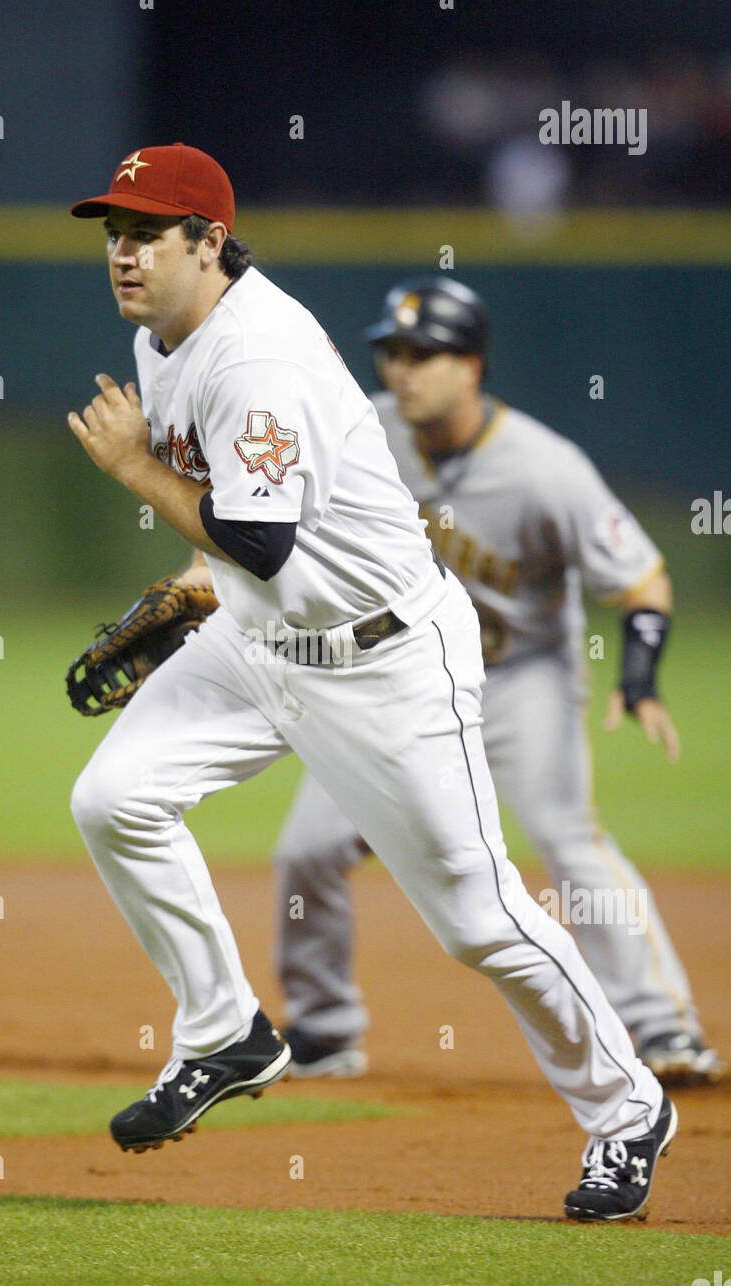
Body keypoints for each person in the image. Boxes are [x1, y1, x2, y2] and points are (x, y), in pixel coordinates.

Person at [66, 143, 676, 1221]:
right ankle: (224, 1031)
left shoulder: (258, 357)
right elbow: (251, 552)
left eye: (147, 232)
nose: (123, 252)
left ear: (210, 242)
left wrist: (129, 471)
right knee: (113, 798)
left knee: (477, 922)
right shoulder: (158, 337)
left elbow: (255, 534)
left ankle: (627, 1110)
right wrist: (188, 594)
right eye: (114, 232)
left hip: (382, 657)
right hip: (259, 644)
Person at [275, 276, 724, 1089]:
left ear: (472, 363)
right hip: (398, 677)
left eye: (424, 354)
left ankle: (665, 1028)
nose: (403, 370)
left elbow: (645, 580)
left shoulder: (546, 469)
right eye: (392, 353)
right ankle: (324, 1027)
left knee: (568, 841)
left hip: (522, 680)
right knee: (307, 849)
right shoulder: (360, 432)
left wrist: (640, 675)